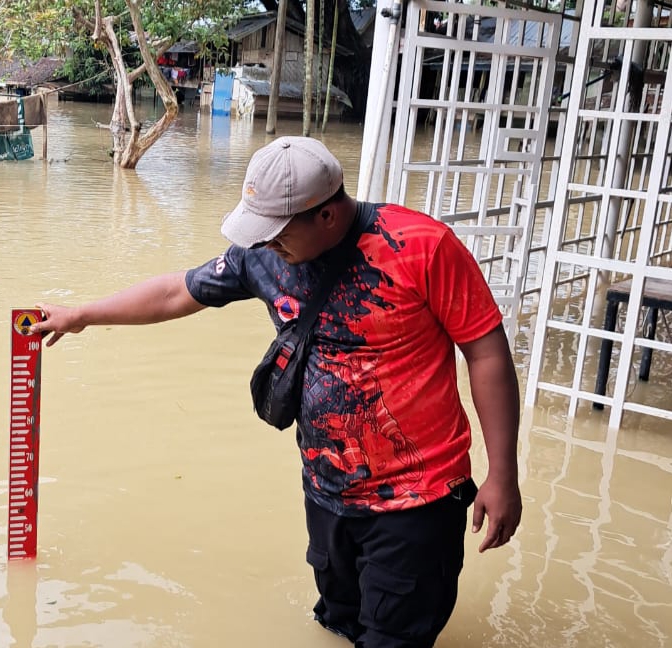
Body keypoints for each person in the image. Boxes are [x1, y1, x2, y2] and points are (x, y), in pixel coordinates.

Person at [30, 136, 522, 648]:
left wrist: (502, 476)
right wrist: (83, 314)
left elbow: (486, 354)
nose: (266, 246)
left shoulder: (423, 247)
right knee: (338, 623)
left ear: (327, 216)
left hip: (417, 501)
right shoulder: (263, 256)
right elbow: (178, 291)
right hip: (327, 491)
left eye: (278, 235)